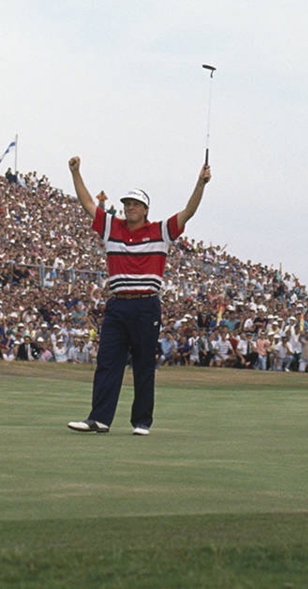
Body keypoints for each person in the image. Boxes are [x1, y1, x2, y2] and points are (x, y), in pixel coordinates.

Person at [67, 155, 210, 435]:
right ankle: (99, 418)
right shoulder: (112, 228)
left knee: (144, 364)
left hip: (146, 305)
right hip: (118, 304)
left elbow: (188, 212)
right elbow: (87, 204)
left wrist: (201, 183)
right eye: (126, 204)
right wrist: (76, 173)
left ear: (145, 209)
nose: (129, 208)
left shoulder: (160, 231)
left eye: (134, 205)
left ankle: (142, 421)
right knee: (108, 363)